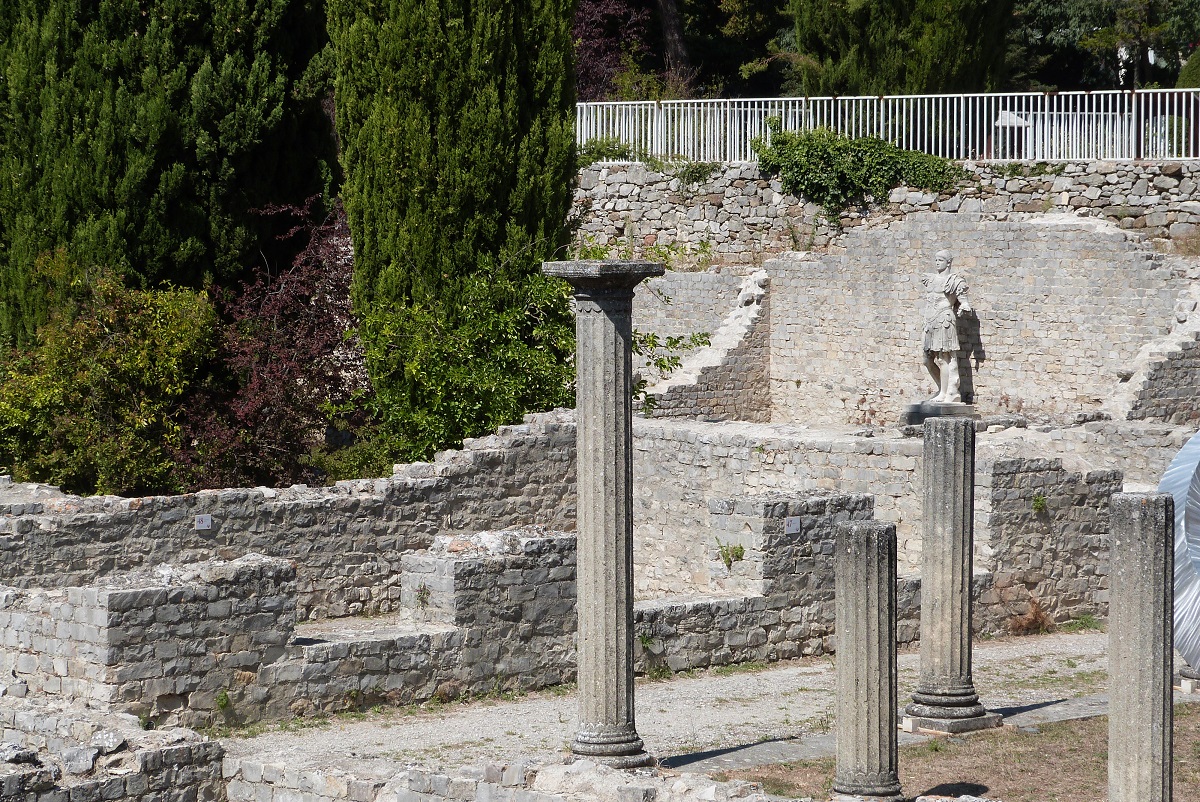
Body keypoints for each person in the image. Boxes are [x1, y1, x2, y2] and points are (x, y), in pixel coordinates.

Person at [921, 250, 971, 404]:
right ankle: (940, 388)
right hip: (929, 321)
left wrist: (965, 305)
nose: (937, 263)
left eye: (940, 260)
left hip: (944, 319)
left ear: (948, 262)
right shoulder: (930, 279)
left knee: (944, 359)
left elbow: (963, 300)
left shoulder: (954, 281)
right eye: (936, 260)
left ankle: (946, 392)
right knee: (926, 359)